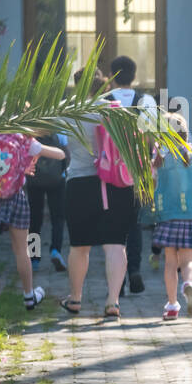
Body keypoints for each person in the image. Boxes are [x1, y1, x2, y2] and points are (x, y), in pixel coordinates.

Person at [61, 67, 135, 319]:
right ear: (103, 84)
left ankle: (75, 299)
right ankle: (112, 301)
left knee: (79, 246)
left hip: (79, 183)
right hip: (115, 184)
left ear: (76, 84)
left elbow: (38, 132)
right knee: (115, 245)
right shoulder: (115, 110)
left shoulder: (67, 109)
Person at [0, 134, 66, 317]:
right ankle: (30, 291)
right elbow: (61, 154)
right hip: (19, 195)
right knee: (26, 245)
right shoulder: (23, 138)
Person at [152, 113, 192, 320]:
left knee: (170, 262)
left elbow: (152, 186)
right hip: (190, 215)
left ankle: (171, 305)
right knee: (187, 260)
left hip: (168, 215)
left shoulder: (160, 159)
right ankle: (188, 283)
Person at [105, 55, 157, 295]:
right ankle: (134, 268)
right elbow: (152, 136)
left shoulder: (104, 101)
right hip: (139, 170)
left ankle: (120, 279)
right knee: (135, 223)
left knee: (115, 226)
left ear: (112, 76)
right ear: (134, 76)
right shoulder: (145, 101)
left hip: (113, 171)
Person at [25, 130, 69, 273]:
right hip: (57, 180)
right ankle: (55, 250)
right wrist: (63, 172)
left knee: (34, 220)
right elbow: (66, 155)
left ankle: (34, 259)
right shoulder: (59, 128)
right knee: (58, 218)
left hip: (34, 179)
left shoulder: (30, 129)